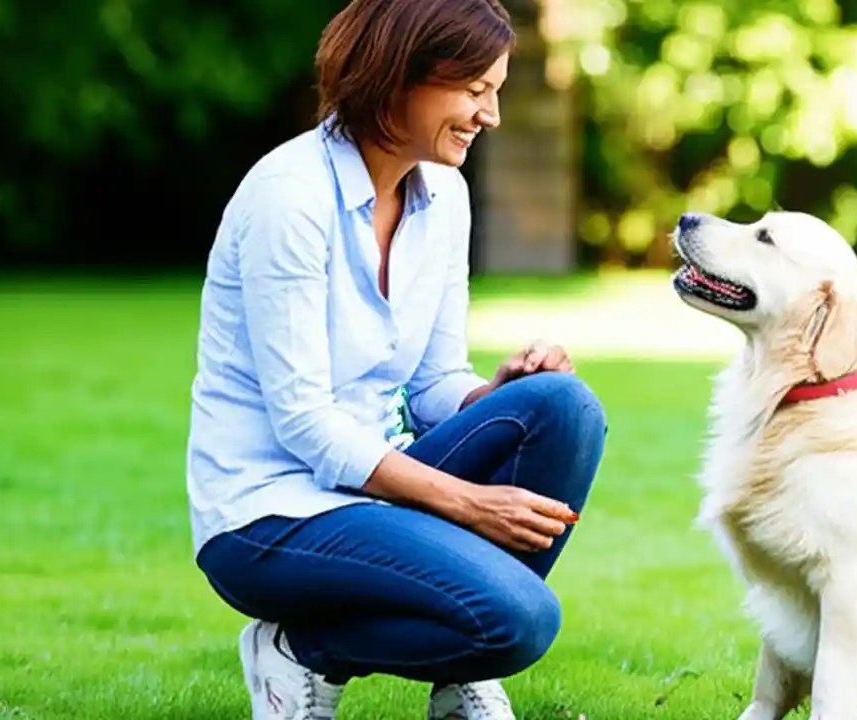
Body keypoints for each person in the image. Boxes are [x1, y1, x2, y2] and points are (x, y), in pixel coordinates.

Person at [183, 1, 607, 717]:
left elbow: (434, 379)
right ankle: (300, 653)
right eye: (476, 91)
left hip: (374, 486)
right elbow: (305, 423)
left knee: (562, 408)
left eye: (495, 92)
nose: (491, 115)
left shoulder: (443, 194)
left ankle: (456, 675)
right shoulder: (290, 198)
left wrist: (496, 392)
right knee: (522, 619)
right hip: (269, 515)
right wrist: (471, 505)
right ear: (400, 77)